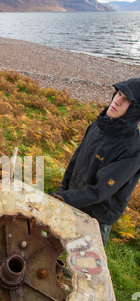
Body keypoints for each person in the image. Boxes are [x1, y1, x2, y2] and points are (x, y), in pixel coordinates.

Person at [51, 78, 140, 245]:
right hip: (73, 199)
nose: (117, 101)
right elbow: (76, 160)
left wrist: (63, 197)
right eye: (119, 94)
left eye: (126, 99)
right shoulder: (98, 126)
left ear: (135, 110)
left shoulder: (133, 149)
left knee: (84, 265)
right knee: (56, 245)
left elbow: (100, 191)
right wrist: (63, 189)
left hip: (97, 217)